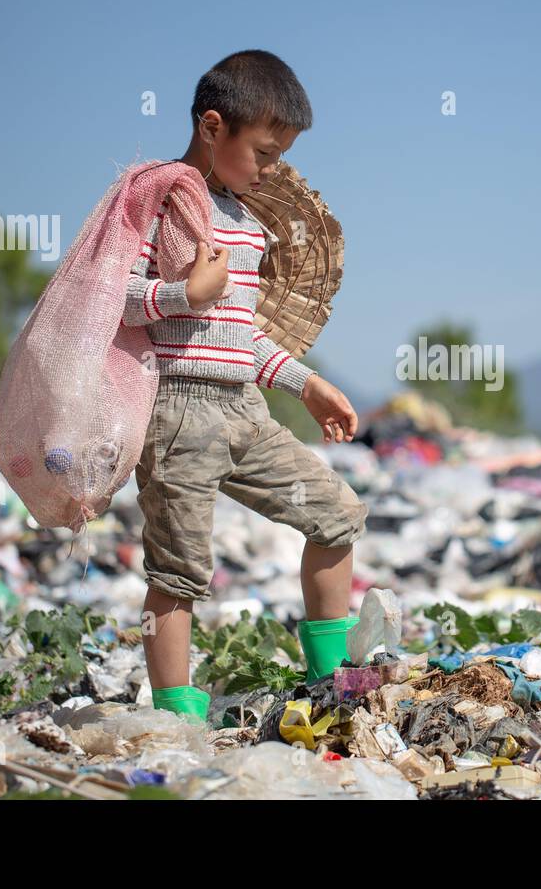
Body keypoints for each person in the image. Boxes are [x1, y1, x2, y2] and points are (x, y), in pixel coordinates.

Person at [121, 50, 368, 724]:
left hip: (245, 411)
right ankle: (177, 711)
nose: (271, 168)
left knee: (337, 514)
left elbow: (239, 336)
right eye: (263, 152)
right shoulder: (160, 202)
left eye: (280, 154)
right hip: (177, 412)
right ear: (211, 127)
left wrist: (307, 383)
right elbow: (110, 299)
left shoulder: (245, 223)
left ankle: (331, 681)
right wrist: (181, 291)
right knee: (178, 574)